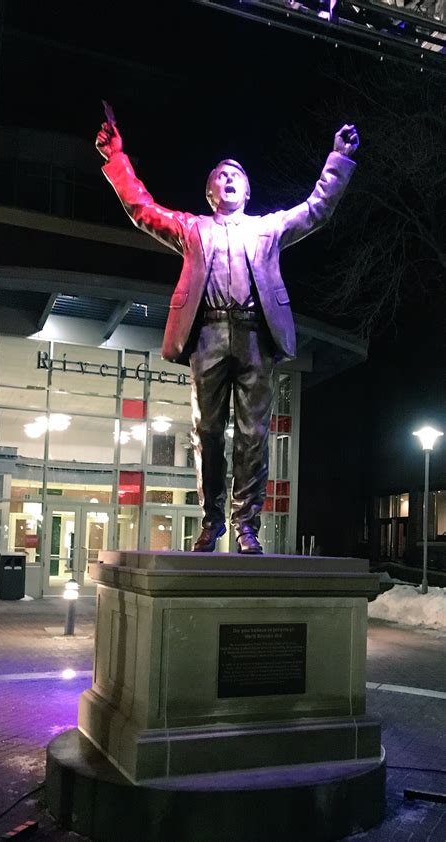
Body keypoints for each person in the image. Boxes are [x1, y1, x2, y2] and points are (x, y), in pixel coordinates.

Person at [96, 120, 359, 555]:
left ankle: (246, 525)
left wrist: (340, 159)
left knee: (255, 433)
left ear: (248, 192)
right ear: (210, 194)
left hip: (256, 334)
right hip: (209, 336)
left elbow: (316, 208)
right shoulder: (191, 228)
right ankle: (211, 521)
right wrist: (116, 158)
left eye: (237, 174)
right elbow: (141, 208)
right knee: (208, 432)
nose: (230, 178)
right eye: (221, 175)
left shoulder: (269, 229)